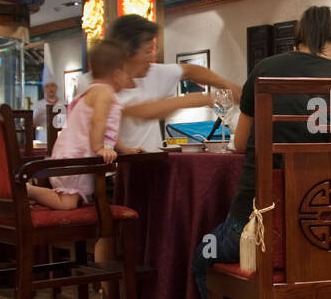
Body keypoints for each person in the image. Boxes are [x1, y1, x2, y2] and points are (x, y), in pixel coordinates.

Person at [191, 5, 331, 299]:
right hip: (324, 227)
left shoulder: (265, 70)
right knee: (316, 253)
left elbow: (240, 144)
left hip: (256, 227)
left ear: (299, 39)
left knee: (203, 256)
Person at [104, 15, 242, 152]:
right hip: (120, 170)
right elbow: (136, 111)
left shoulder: (150, 73)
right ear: (127, 52)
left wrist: (226, 85)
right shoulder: (101, 83)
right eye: (147, 52)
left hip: (152, 165)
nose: (152, 57)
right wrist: (196, 99)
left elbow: (190, 71)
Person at [27, 40, 131, 211]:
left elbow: (107, 128)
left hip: (71, 156)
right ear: (117, 74)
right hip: (74, 159)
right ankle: (28, 190)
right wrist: (100, 148)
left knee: (69, 201)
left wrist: (125, 149)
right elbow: (98, 122)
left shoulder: (93, 91)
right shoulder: (104, 93)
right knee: (66, 203)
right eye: (127, 73)